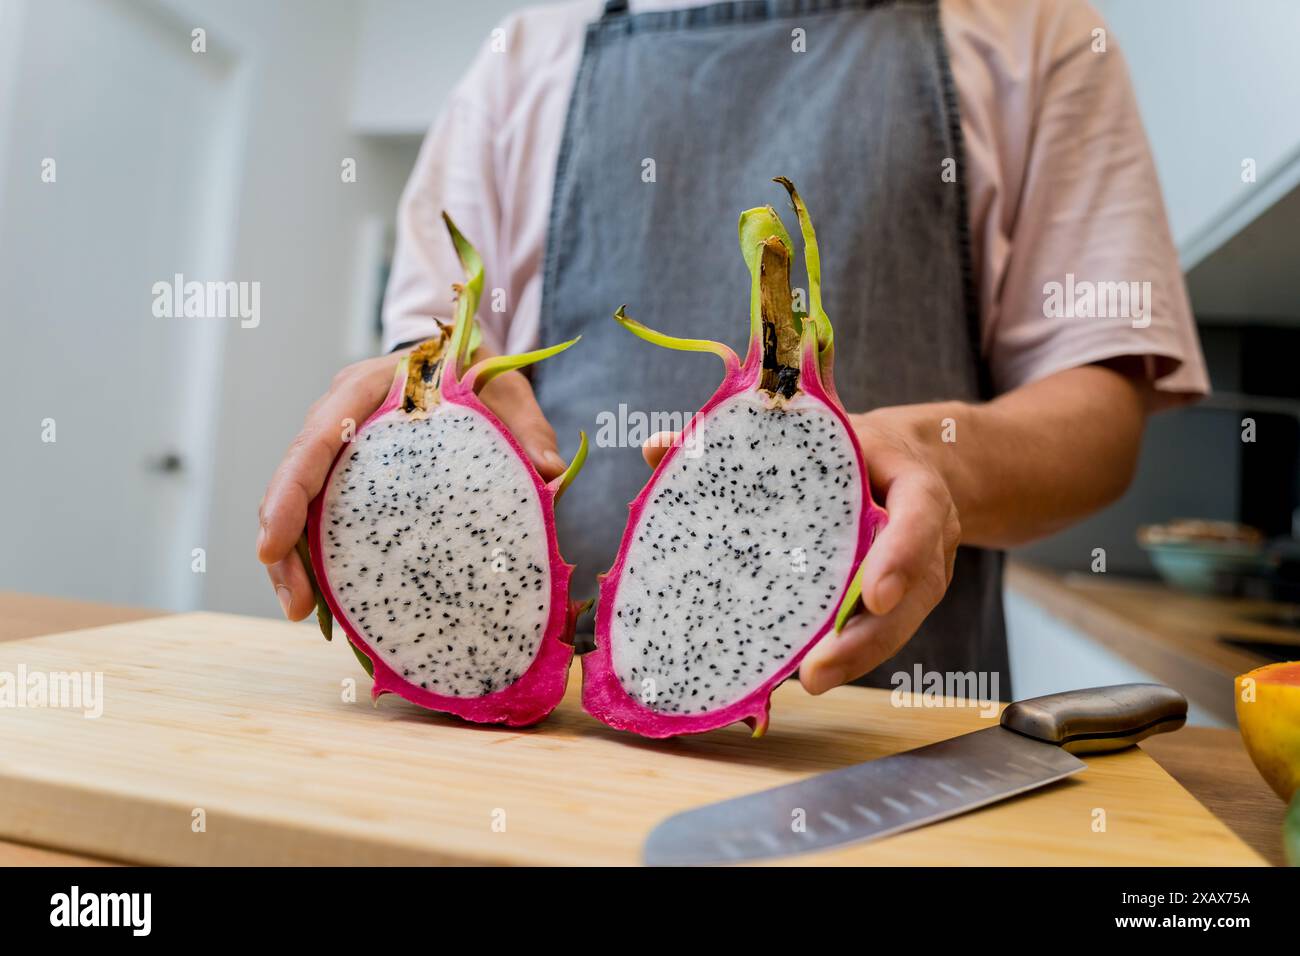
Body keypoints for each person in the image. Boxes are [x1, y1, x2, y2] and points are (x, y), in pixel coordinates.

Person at [257, 0, 1207, 698]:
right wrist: (406, 395)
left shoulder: (1036, 32)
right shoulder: (526, 52)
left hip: (890, 747)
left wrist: (927, 458)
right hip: (550, 755)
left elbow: (1102, 412)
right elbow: (431, 349)